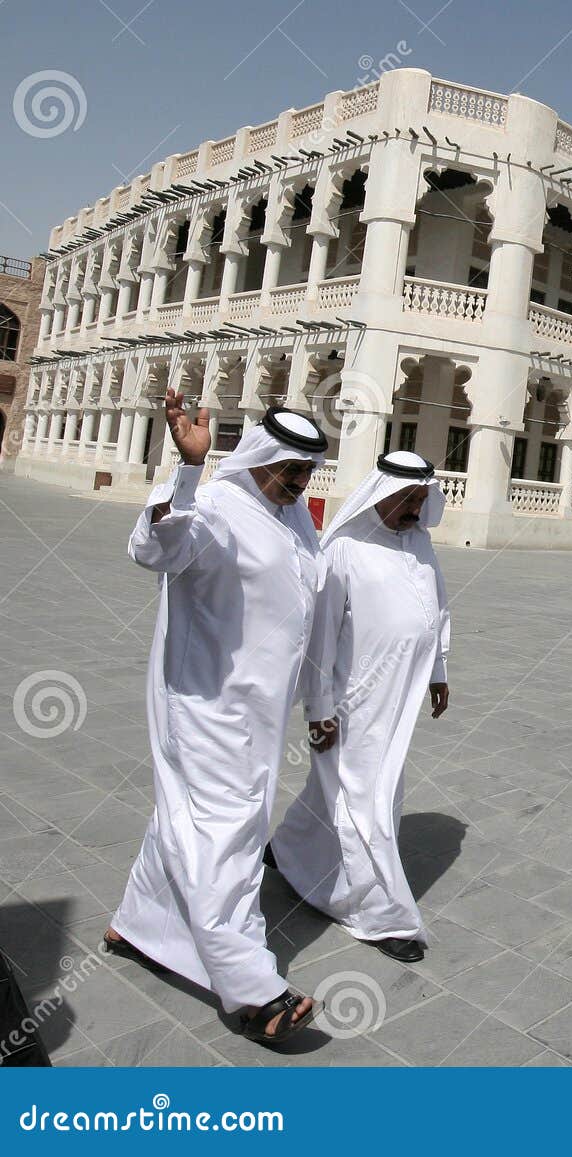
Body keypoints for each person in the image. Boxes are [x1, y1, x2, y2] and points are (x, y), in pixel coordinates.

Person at [104, 391, 326, 1045]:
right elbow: (156, 547)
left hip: (257, 714)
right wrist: (190, 469)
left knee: (193, 819)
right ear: (261, 456)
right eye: (291, 468)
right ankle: (254, 989)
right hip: (204, 705)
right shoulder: (216, 505)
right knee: (227, 832)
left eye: (308, 471)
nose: (299, 481)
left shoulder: (293, 520)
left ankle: (136, 922)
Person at [269, 450, 450, 964]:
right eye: (404, 499)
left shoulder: (421, 546)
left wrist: (437, 670)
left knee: (345, 790)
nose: (413, 509)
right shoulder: (345, 549)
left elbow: (436, 609)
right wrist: (318, 707)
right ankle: (381, 914)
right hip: (354, 701)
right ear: (379, 495)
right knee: (365, 800)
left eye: (420, 499)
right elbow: (319, 637)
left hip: (403, 694)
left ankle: (287, 850)